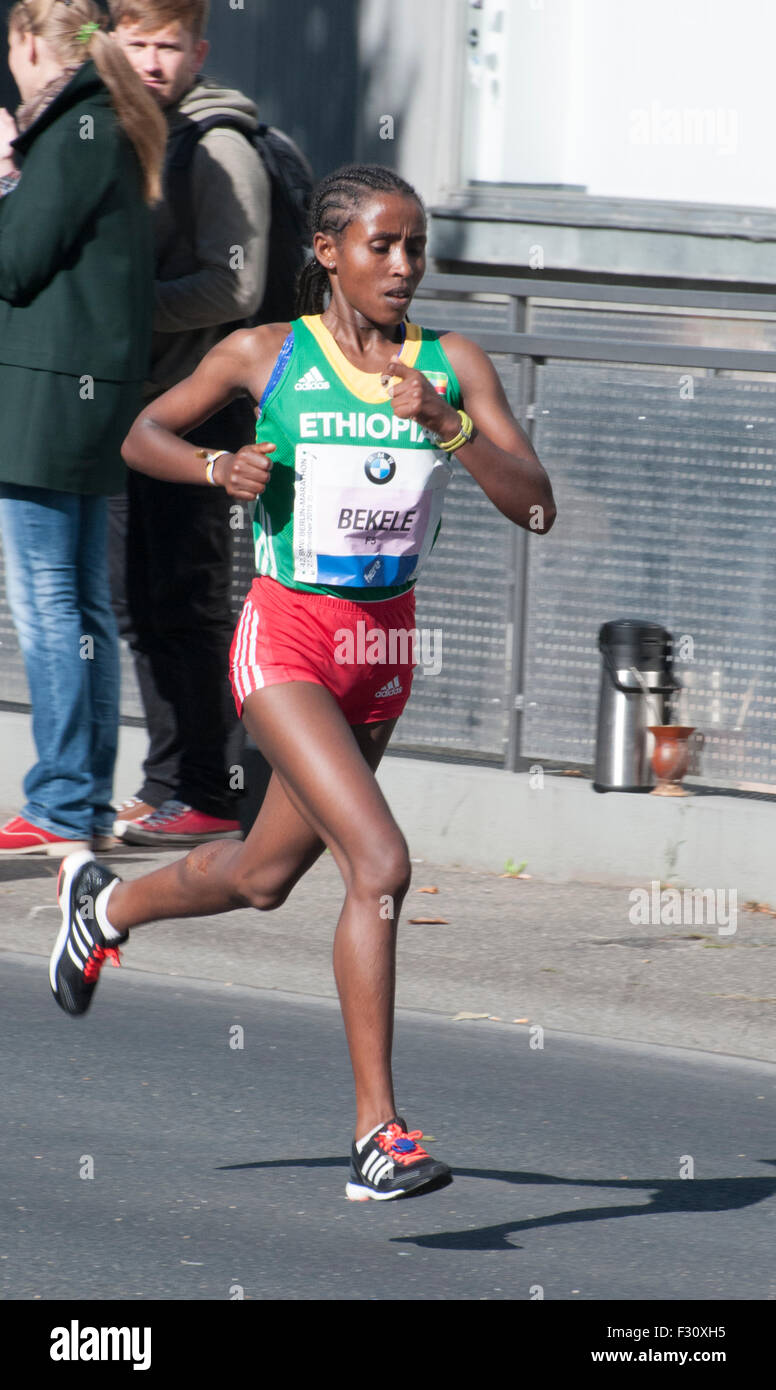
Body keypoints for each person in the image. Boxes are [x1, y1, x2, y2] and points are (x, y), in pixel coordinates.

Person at [49, 165, 556, 1200]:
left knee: (262, 875)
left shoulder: (449, 364)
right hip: (285, 643)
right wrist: (212, 471)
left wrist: (447, 427)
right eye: (381, 245)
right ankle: (379, 1134)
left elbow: (536, 506)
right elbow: (140, 429)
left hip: (381, 654)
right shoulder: (265, 354)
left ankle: (104, 907)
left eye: (415, 246)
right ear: (327, 252)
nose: (404, 266)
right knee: (378, 861)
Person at [0, 0, 166, 856]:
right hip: (87, 400)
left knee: (51, 605)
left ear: (30, 44)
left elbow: (14, 264)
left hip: (44, 403)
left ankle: (64, 802)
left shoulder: (73, 132)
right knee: (84, 607)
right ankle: (85, 802)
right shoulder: (110, 121)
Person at [107, 0, 271, 847]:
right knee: (141, 605)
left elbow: (236, 289)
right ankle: (169, 783)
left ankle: (210, 791)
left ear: (198, 49)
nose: (151, 62)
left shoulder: (216, 145)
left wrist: (127, 311)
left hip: (194, 418)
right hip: (144, 412)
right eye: (135, 43)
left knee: (184, 604)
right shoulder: (144, 132)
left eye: (168, 45)